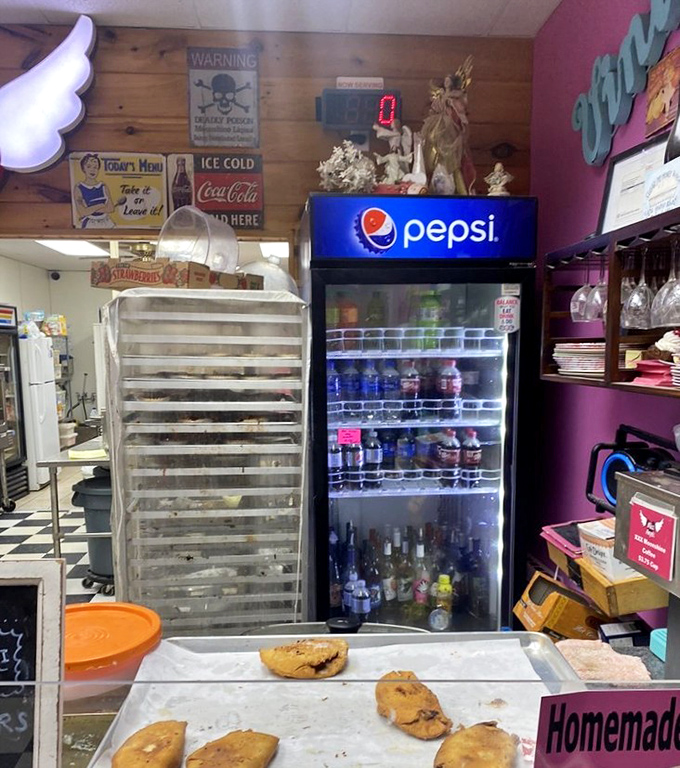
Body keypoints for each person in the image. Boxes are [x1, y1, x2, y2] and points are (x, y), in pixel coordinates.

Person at [73, 154, 122, 228]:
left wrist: (90, 210)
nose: (92, 170)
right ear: (83, 168)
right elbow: (82, 211)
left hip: (107, 221)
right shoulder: (79, 188)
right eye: (89, 166)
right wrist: (101, 205)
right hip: (90, 223)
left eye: (95, 167)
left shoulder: (103, 186)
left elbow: (111, 208)